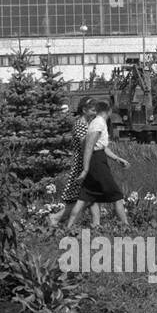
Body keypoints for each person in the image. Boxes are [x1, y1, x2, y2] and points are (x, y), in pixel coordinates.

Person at [66, 100, 132, 228]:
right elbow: (89, 146)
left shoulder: (96, 122)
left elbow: (100, 146)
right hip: (97, 162)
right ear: (109, 111)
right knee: (116, 195)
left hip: (96, 158)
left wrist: (118, 159)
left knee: (85, 196)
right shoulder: (98, 123)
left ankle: (68, 227)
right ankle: (126, 226)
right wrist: (85, 170)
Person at [46, 98, 102, 230]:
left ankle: (96, 225)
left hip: (86, 161)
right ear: (84, 110)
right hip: (82, 164)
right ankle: (55, 217)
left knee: (91, 195)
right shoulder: (80, 124)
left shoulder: (86, 124)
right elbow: (85, 144)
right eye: (93, 110)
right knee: (85, 198)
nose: (95, 113)